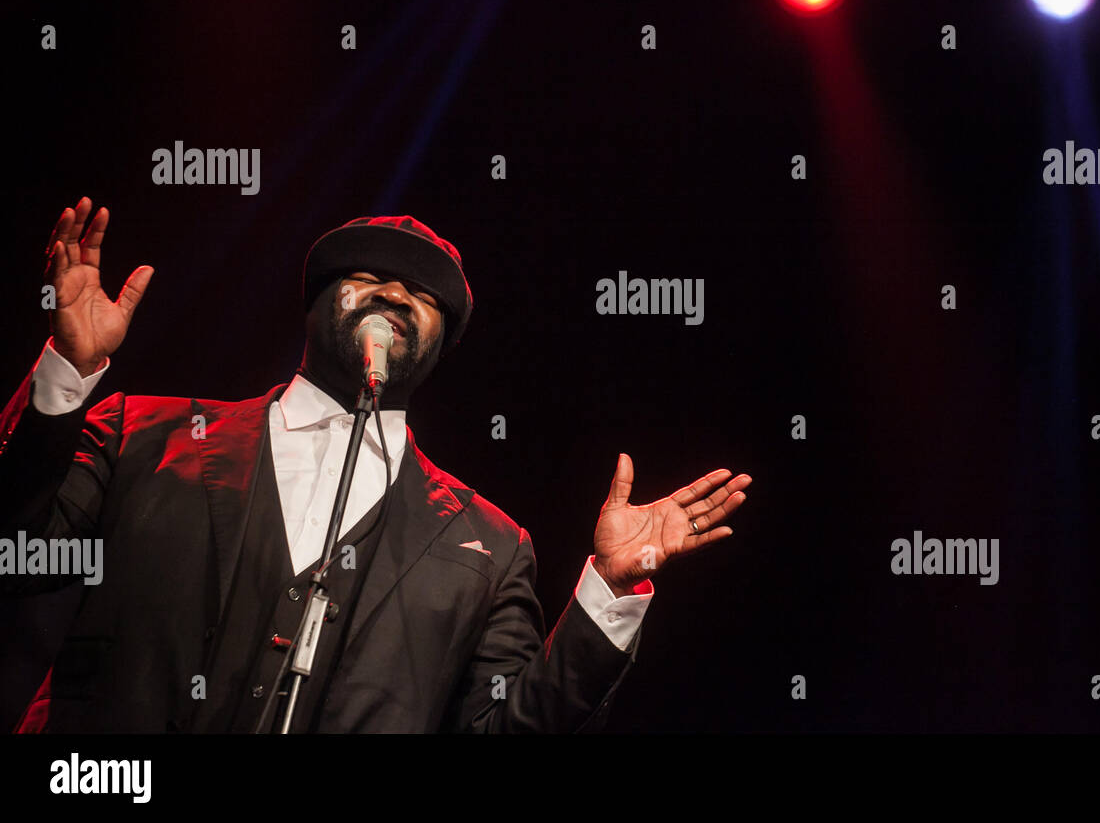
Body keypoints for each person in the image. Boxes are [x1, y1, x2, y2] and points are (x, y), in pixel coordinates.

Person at [0, 197, 751, 732]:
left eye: (426, 295)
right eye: (372, 274)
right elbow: (18, 553)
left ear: (440, 342)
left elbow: (505, 725)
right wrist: (67, 370)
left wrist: (606, 596)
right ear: (316, 303)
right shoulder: (144, 431)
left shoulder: (489, 546)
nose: (397, 291)